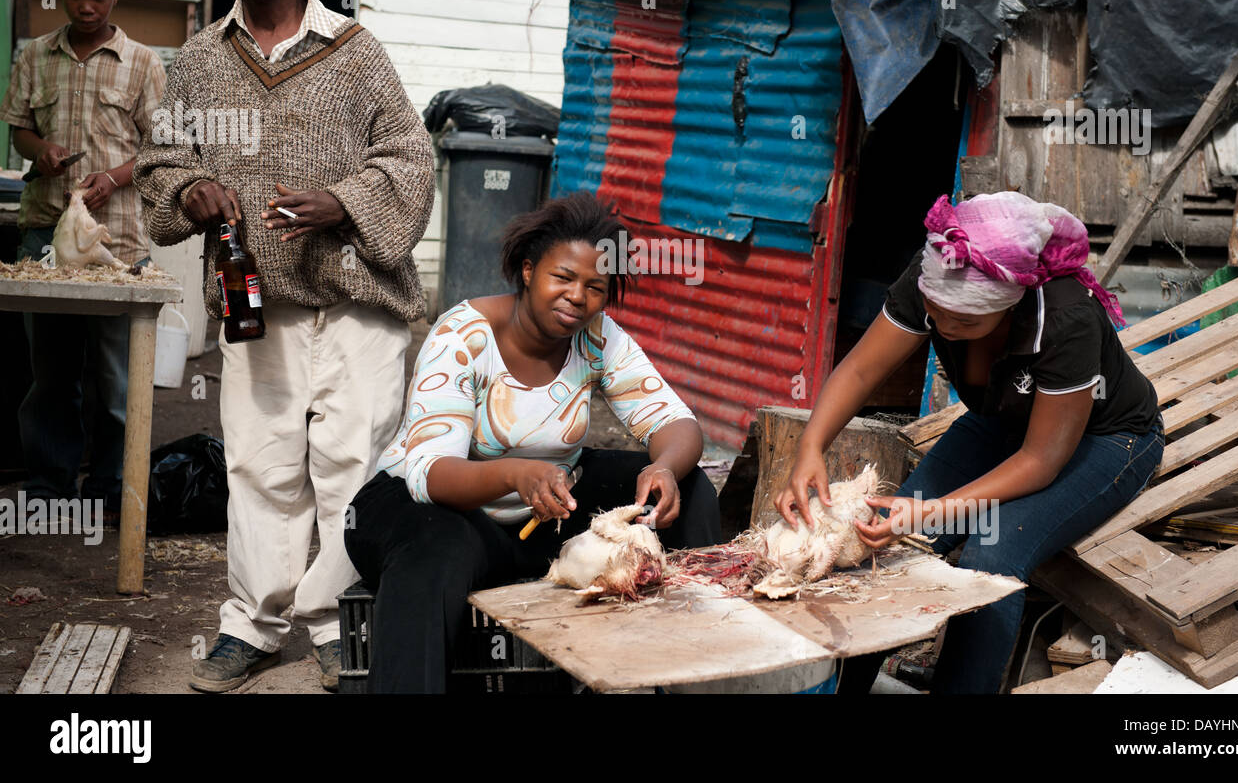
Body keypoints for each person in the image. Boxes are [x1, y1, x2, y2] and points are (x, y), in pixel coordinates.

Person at [134, 0, 435, 692]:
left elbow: (411, 160)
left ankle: (343, 624)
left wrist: (343, 202)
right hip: (253, 304)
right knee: (262, 468)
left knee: (353, 467)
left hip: (355, 303)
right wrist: (189, 189)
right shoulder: (198, 58)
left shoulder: (356, 51)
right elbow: (163, 161)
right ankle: (252, 627)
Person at [775, 191, 1164, 694]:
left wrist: (934, 510)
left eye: (965, 323)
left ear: (1011, 303)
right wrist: (810, 449)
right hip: (1004, 423)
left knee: (992, 554)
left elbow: (1042, 460)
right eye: (936, 314)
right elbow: (862, 369)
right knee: (880, 542)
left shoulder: (1065, 318)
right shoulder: (938, 267)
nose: (943, 329)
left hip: (1108, 438)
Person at [344, 191, 722, 693]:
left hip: (542, 516)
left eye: (595, 286)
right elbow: (433, 473)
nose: (576, 297)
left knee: (690, 488)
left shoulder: (596, 336)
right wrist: (515, 473)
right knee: (437, 545)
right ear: (527, 271)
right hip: (428, 508)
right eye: (562, 278)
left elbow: (675, 423)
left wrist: (666, 467)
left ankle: (696, 666)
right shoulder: (463, 335)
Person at [0, 0, 165, 513]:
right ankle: (50, 487)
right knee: (50, 375)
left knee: (117, 381)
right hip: (44, 237)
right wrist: (40, 150)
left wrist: (113, 178)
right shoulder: (34, 55)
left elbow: (161, 147)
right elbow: (18, 129)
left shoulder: (143, 63)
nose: (87, 6)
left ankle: (111, 489)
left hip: (115, 242)